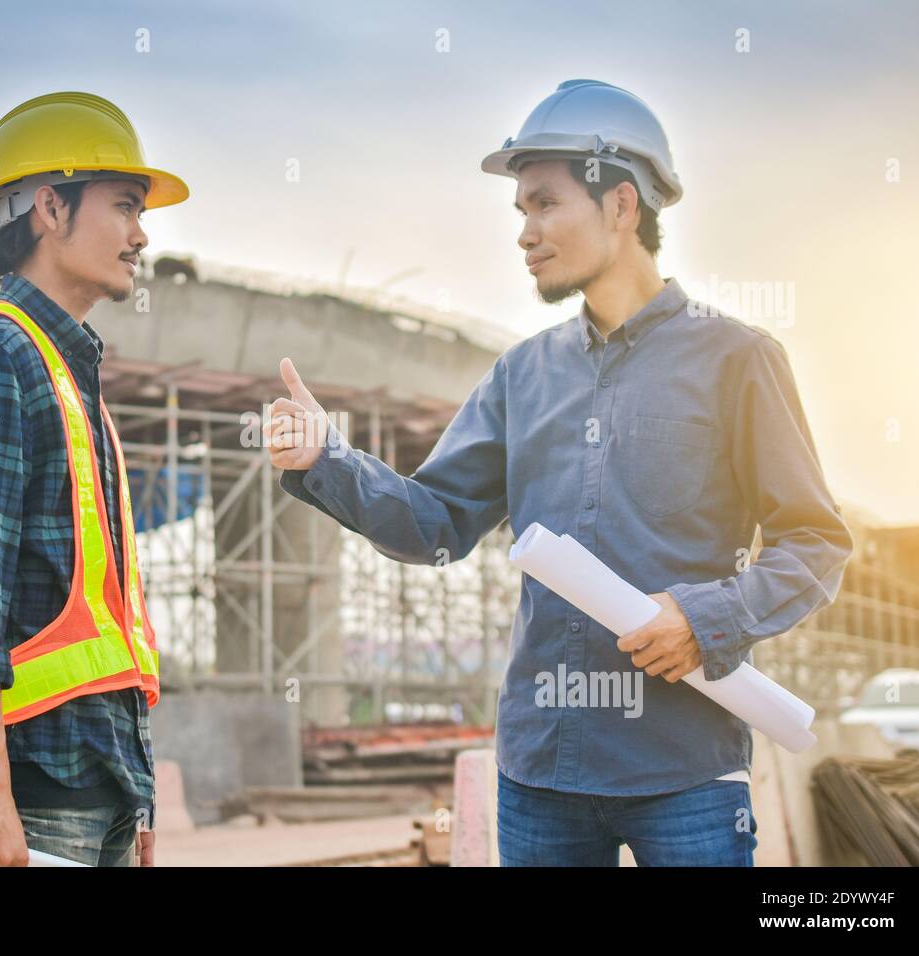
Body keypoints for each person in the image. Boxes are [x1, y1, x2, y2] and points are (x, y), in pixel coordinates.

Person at [266, 79, 853, 866]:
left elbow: (814, 544)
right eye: (522, 212)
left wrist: (705, 618)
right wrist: (327, 459)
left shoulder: (737, 361)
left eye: (545, 205)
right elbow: (435, 523)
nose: (526, 233)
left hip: (683, 773)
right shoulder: (522, 375)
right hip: (540, 776)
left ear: (621, 205)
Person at [0, 92, 188, 866]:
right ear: (50, 208)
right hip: (30, 787)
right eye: (127, 206)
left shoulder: (68, 373)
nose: (141, 235)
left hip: (91, 782)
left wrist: (134, 801)